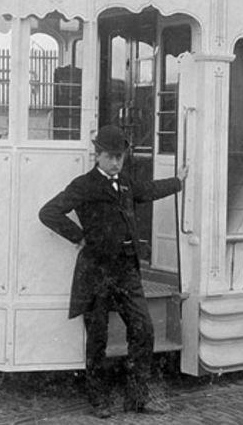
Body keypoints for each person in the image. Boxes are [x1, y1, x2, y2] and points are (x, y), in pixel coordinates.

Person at [39, 124, 188, 418]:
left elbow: (149, 191)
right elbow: (49, 212)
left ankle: (137, 398)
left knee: (143, 329)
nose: (117, 162)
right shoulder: (84, 185)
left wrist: (178, 181)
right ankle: (99, 401)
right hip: (95, 272)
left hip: (126, 270)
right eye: (111, 156)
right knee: (98, 339)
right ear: (98, 155)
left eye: (121, 156)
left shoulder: (127, 183)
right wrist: (79, 237)